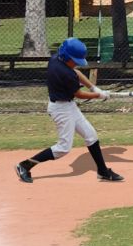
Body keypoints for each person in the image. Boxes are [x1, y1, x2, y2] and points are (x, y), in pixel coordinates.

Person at [15, 37, 121, 184]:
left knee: (91, 135)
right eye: (75, 60)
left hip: (68, 106)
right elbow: (79, 94)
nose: (76, 63)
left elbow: (76, 73)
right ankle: (25, 165)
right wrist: (99, 95)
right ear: (66, 57)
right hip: (60, 109)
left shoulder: (56, 60)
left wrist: (93, 87)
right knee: (63, 148)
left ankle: (102, 171)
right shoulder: (65, 73)